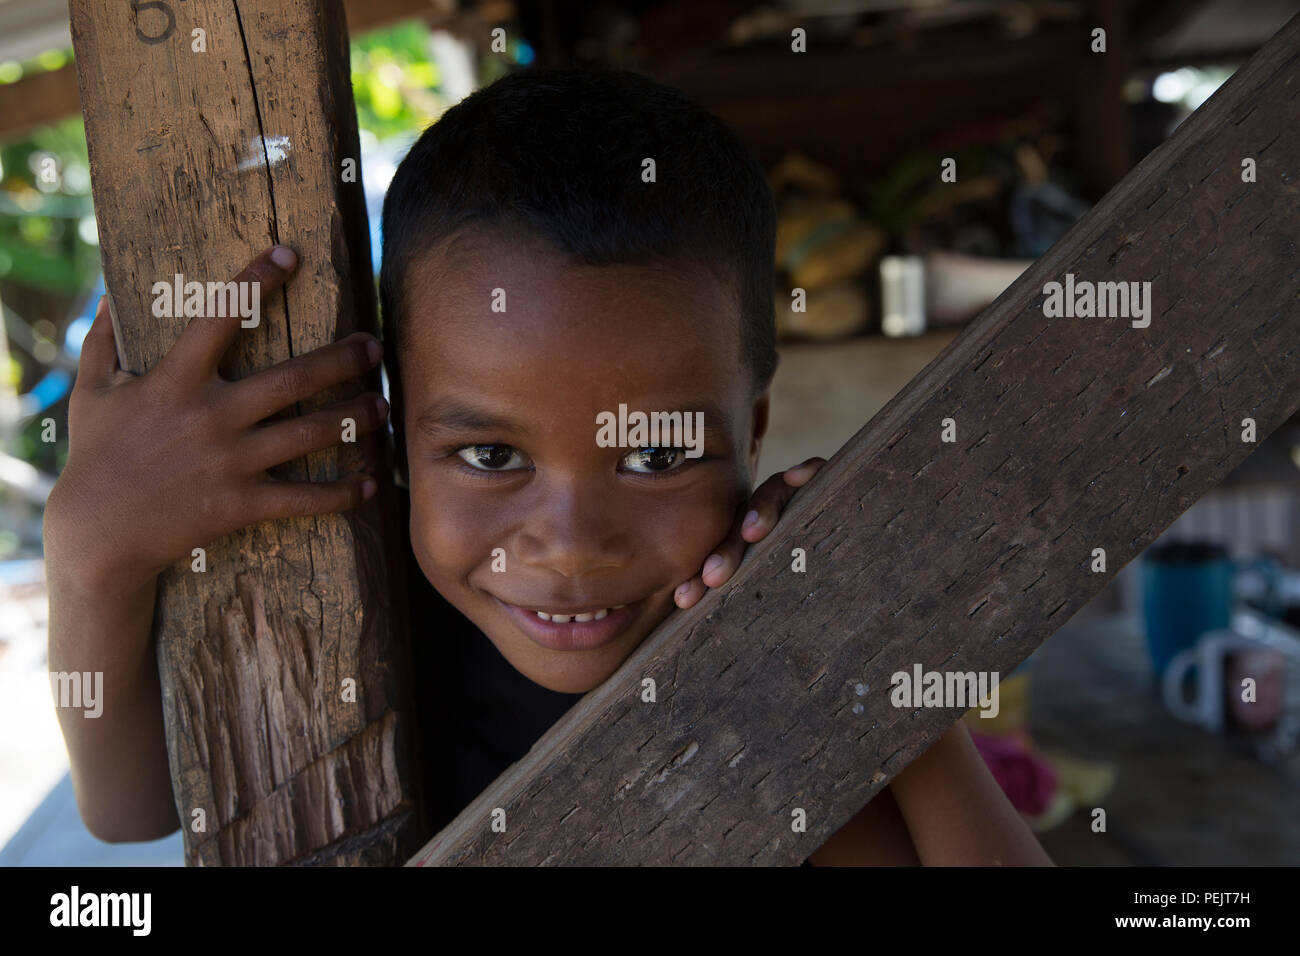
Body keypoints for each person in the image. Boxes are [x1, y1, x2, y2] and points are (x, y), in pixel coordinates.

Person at [44, 66, 1050, 866]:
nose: (569, 546)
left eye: (654, 454)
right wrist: (91, 548)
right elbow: (134, 809)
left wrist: (872, 662)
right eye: (488, 454)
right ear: (395, 437)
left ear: (750, 430)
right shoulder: (341, 611)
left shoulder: (766, 655)